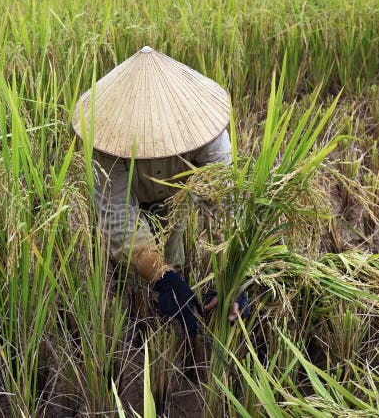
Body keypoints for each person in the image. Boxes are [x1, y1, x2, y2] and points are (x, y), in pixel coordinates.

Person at [72, 46, 249, 337]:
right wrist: (160, 277)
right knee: (128, 276)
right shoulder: (107, 138)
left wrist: (234, 274)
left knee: (173, 256)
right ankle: (134, 324)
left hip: (174, 199)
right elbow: (117, 216)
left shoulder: (205, 129)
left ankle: (171, 332)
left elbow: (225, 201)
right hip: (128, 197)